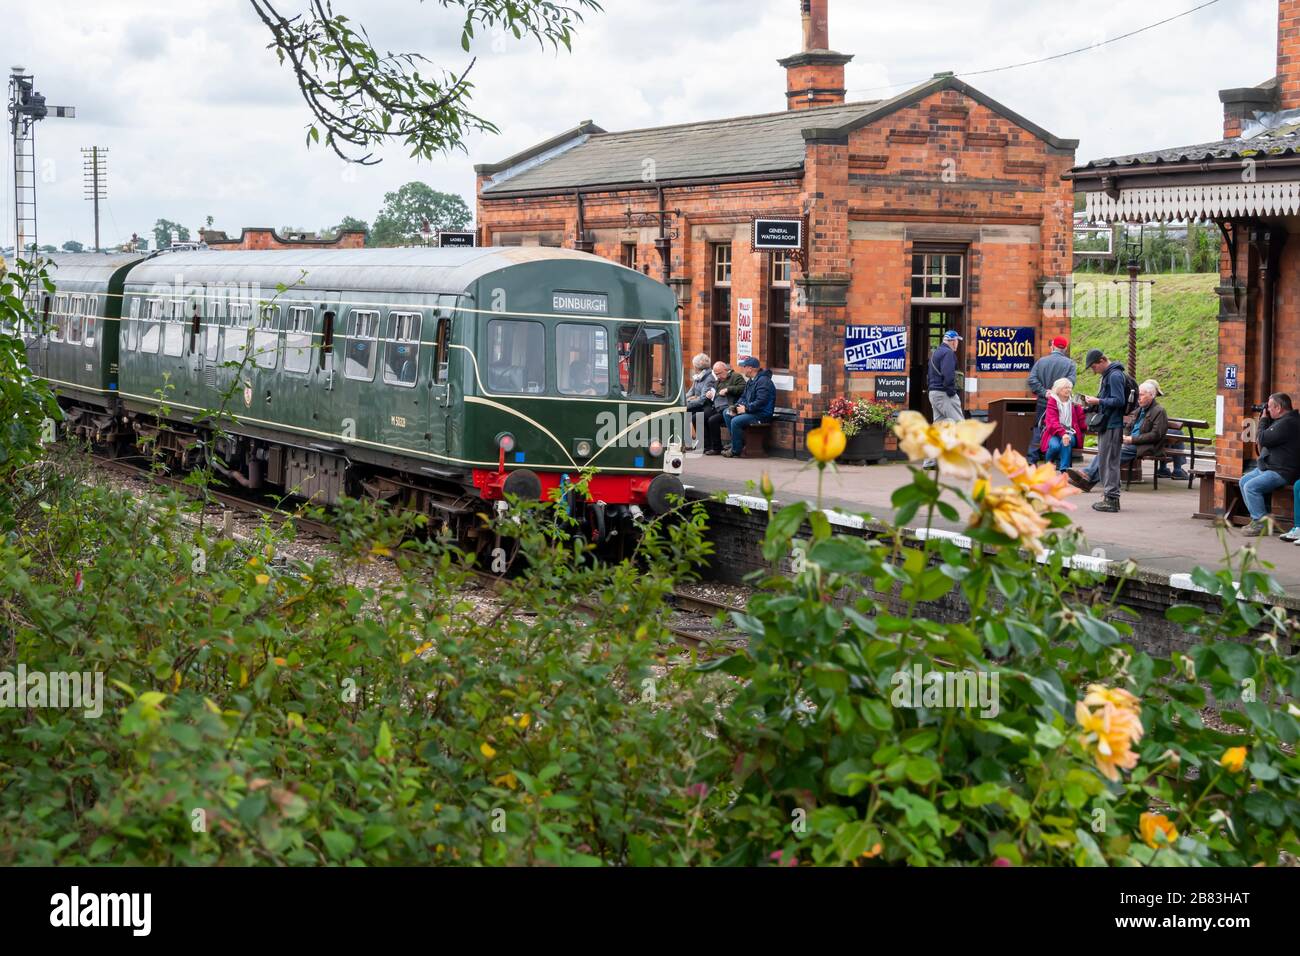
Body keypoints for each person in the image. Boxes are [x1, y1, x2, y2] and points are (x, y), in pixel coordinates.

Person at [1068, 379, 1165, 492]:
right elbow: (1128, 427)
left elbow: (1156, 435)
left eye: (1142, 395)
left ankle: (1087, 476)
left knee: (1112, 454)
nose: (1139, 398)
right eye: (1138, 395)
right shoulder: (1139, 410)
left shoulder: (1159, 411)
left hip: (1145, 446)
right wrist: (1124, 437)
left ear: (1152, 395)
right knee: (1107, 451)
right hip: (1131, 443)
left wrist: (1133, 439)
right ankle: (1087, 480)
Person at [1239, 393, 1300, 537]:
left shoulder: (1288, 423)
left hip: (1282, 471)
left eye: (1270, 407)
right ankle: (1258, 518)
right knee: (1243, 481)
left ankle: (1261, 524)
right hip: (1269, 467)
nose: (1268, 410)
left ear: (1278, 408)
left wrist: (1264, 419)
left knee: (1251, 487)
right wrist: (1266, 418)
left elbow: (1262, 438)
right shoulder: (1283, 421)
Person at [1078, 349, 1128, 512]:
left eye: (1093, 367)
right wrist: (1092, 403)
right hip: (1108, 424)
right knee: (1105, 460)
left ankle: (1111, 499)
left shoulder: (1114, 376)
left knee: (1109, 462)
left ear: (1101, 361)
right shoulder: (1110, 375)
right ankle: (1110, 497)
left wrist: (1098, 400)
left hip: (1112, 424)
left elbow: (1119, 401)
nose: (1093, 371)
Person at [1026, 336, 1076, 464]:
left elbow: (1031, 380)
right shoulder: (1070, 364)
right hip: (1061, 404)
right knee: (1061, 428)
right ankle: (1059, 461)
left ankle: (1032, 460)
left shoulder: (1041, 362)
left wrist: (1045, 392)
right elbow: (1071, 382)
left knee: (1038, 430)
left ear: (1052, 346)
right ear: (1064, 348)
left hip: (1043, 402)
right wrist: (1057, 394)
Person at [721, 356, 775, 458]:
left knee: (735, 421)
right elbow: (743, 397)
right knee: (727, 412)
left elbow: (761, 401)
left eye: (744, 367)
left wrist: (746, 409)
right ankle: (735, 443)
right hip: (752, 411)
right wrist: (736, 406)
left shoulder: (763, 381)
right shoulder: (751, 380)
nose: (743, 369)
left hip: (761, 414)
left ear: (750, 368)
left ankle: (736, 450)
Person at [1039, 377, 1086, 472]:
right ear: (1058, 390)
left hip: (1070, 432)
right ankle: (1048, 464)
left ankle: (1064, 470)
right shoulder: (1052, 401)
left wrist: (1085, 427)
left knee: (1066, 442)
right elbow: (1052, 422)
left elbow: (1081, 420)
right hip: (1054, 432)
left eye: (1069, 387)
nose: (1068, 390)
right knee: (1055, 446)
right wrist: (1063, 433)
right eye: (1065, 388)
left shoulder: (1074, 402)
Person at [702, 360, 746, 456]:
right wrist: (710, 395)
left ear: (726, 369)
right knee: (698, 417)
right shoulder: (718, 381)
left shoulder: (736, 377)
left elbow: (743, 388)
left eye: (719, 373)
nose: (718, 376)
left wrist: (728, 389)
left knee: (712, 420)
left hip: (730, 407)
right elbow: (715, 395)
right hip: (718, 407)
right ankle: (707, 446)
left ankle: (717, 448)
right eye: (716, 374)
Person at [927, 330, 963, 423]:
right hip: (944, 394)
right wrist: (952, 392)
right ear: (953, 341)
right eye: (957, 341)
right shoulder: (948, 353)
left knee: (940, 425)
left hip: (933, 393)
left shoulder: (935, 353)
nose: (958, 344)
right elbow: (948, 375)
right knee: (960, 424)